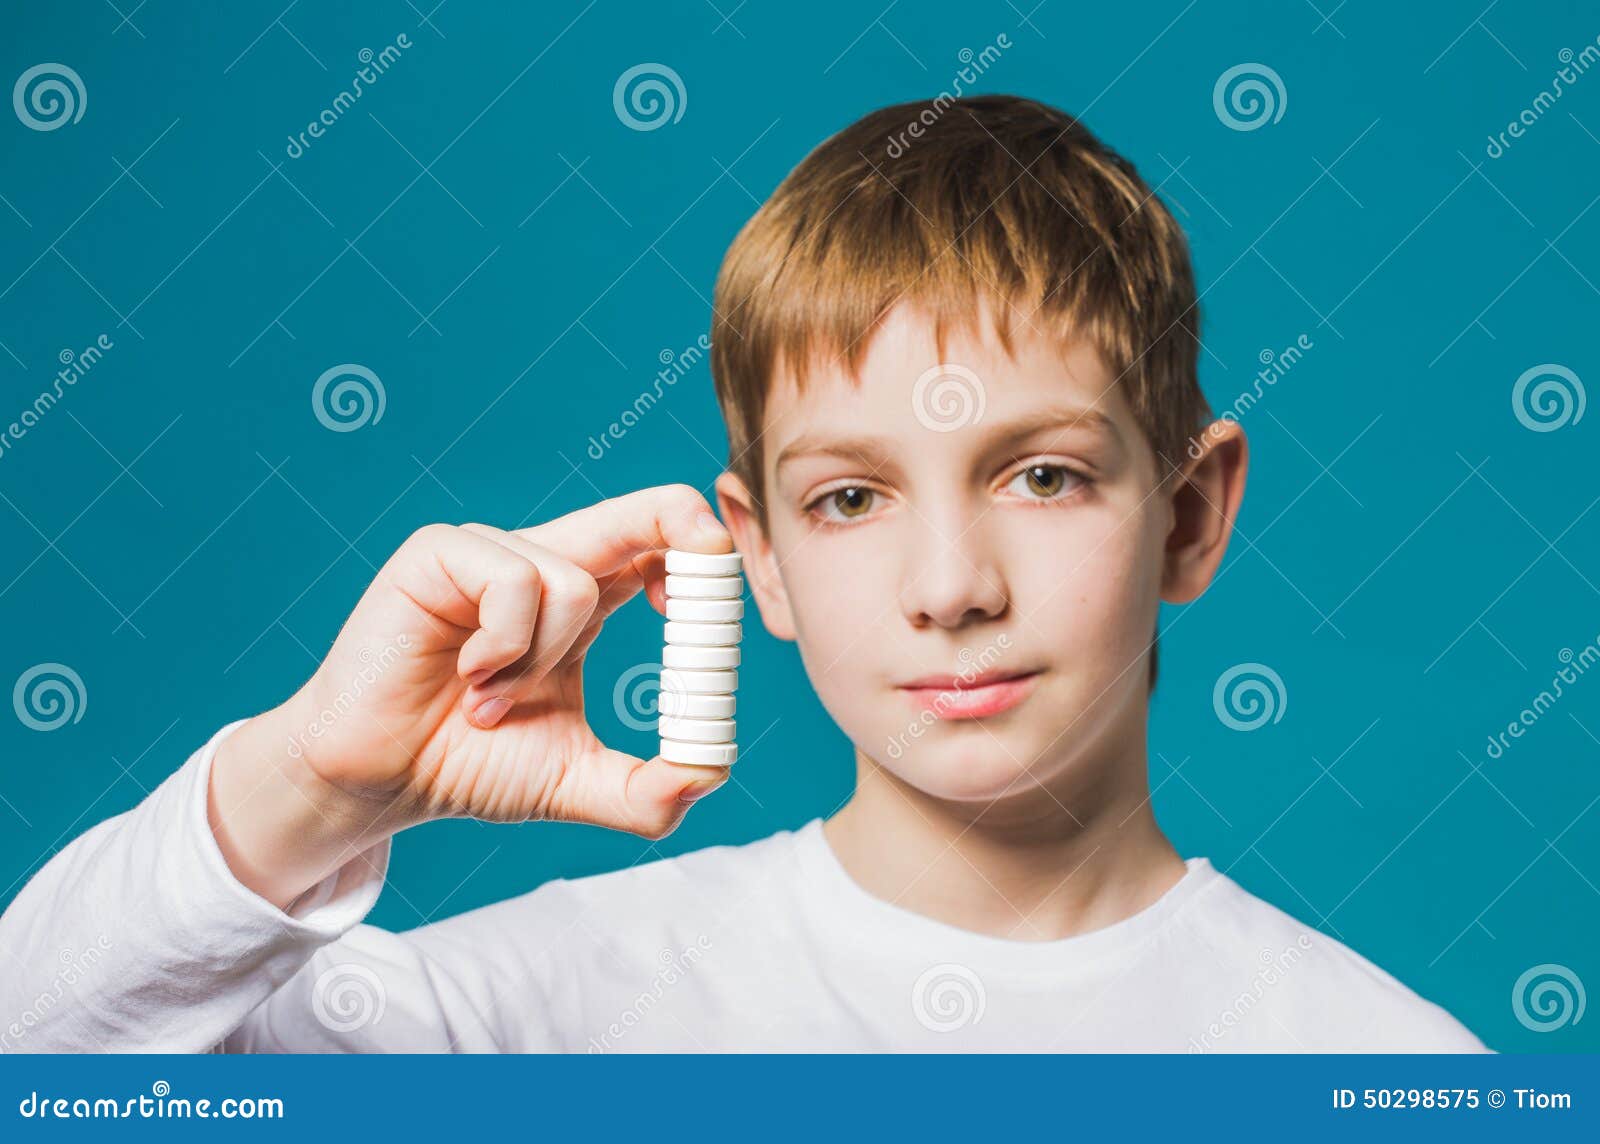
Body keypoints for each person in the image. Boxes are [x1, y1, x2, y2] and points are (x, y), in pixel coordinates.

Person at [0, 95, 1483, 1052]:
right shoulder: (512, 1025)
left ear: (1190, 513)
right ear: (755, 559)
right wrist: (311, 788)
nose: (950, 585)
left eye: (1042, 475)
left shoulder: (1387, 1069)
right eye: (849, 497)